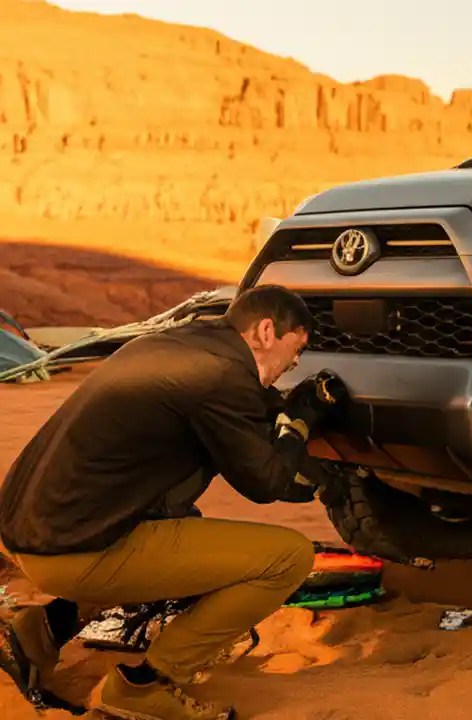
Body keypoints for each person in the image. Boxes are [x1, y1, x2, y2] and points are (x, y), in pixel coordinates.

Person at [0, 284, 349, 720]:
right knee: (289, 558)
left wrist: (285, 409)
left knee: (177, 533)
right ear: (265, 331)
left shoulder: (177, 347)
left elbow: (244, 409)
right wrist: (300, 422)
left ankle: (38, 634)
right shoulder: (221, 374)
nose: (293, 365)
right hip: (71, 551)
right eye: (294, 352)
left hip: (32, 531)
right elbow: (266, 483)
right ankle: (147, 686)